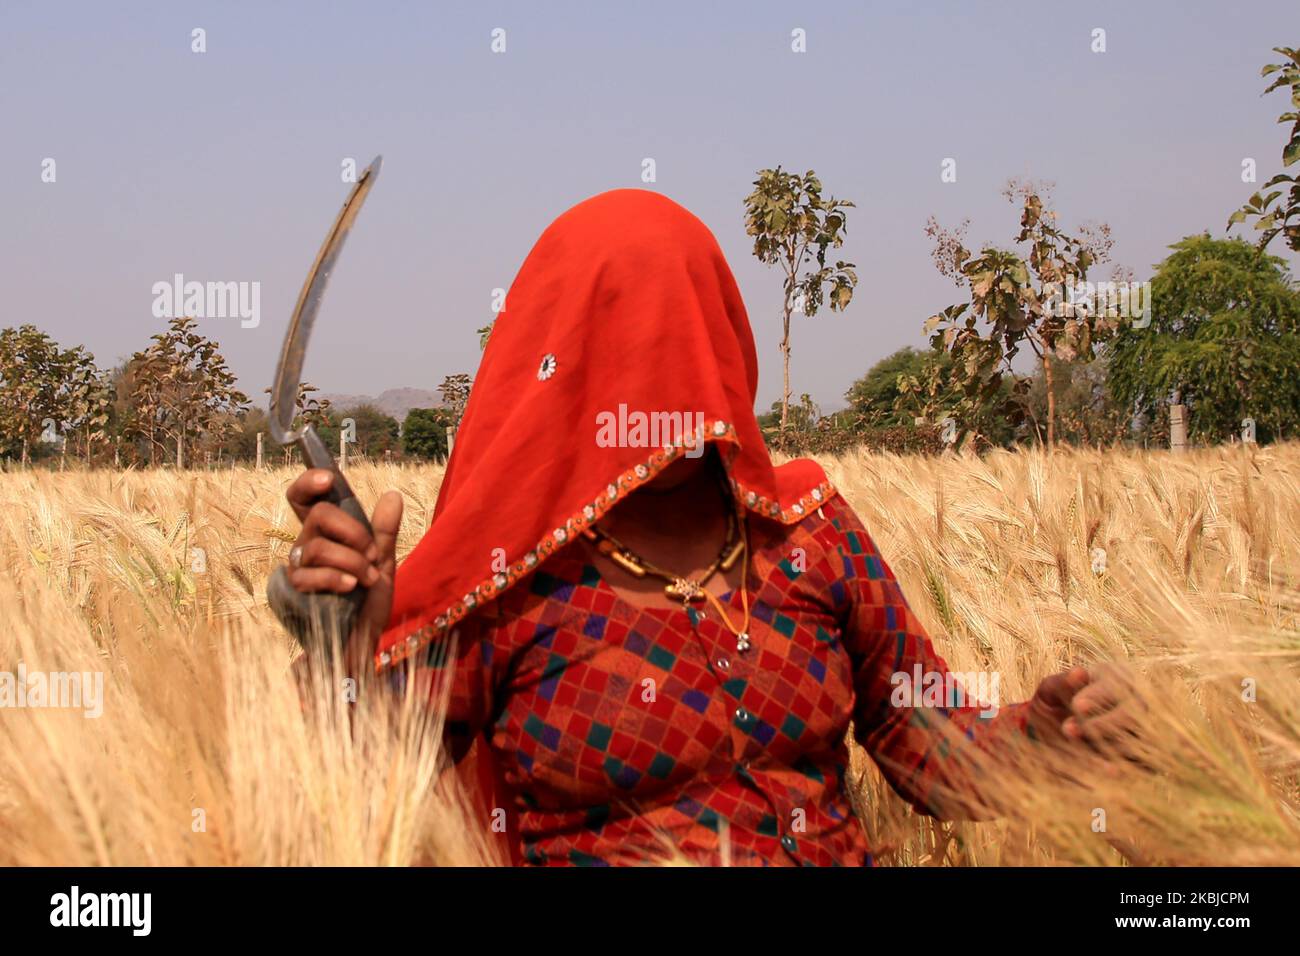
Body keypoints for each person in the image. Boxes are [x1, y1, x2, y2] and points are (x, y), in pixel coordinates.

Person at [277, 188, 1139, 866]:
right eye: (634, 354)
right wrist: (350, 646)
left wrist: (1045, 738)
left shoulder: (813, 532)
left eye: (689, 347)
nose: (671, 392)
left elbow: (930, 745)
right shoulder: (504, 582)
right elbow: (363, 803)